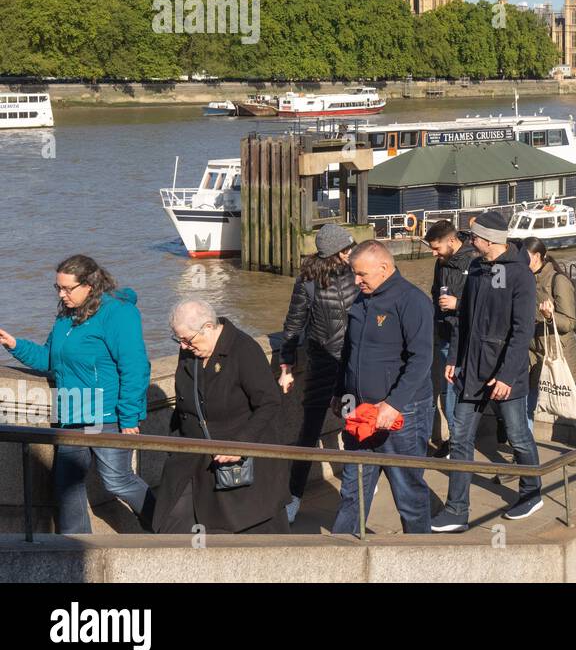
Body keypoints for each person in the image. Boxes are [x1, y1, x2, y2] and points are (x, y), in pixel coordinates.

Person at [0, 255, 151, 535]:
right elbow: (50, 360)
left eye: (68, 289)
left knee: (117, 480)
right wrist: (14, 344)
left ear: (90, 285)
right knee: (66, 485)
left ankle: (165, 522)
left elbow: (135, 366)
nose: (61, 294)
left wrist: (129, 416)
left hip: (104, 414)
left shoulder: (118, 314)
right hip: (73, 412)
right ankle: (76, 547)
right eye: (58, 287)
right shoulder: (67, 316)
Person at [432, 213, 540, 530]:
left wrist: (506, 376)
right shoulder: (478, 268)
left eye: (475, 237)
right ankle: (456, 511)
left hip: (505, 373)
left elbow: (522, 333)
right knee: (461, 438)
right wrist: (454, 357)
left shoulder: (520, 276)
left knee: (519, 437)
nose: (470, 241)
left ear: (489, 240)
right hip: (473, 371)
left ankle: (532, 493)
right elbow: (464, 319)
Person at [152, 299, 290, 533]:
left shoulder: (244, 350)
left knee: (249, 532)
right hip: (191, 458)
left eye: (187, 339)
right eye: (179, 340)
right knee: (169, 524)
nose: (183, 346)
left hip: (239, 461)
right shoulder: (190, 350)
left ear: (208, 327)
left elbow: (269, 402)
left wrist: (240, 444)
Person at [332, 240, 435, 534]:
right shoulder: (362, 300)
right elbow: (349, 352)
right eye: (354, 274)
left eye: (361, 274)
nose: (356, 280)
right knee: (353, 488)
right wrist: (340, 392)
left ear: (384, 268)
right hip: (361, 411)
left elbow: (421, 359)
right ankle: (342, 551)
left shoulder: (412, 301)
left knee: (408, 491)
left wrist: (394, 403)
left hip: (402, 413)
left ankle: (419, 555)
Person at [276, 224, 357, 524]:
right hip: (323, 364)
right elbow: (293, 324)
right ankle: (294, 497)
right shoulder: (307, 281)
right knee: (308, 432)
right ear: (335, 254)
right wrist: (285, 365)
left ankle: (354, 491)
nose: (352, 253)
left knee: (353, 427)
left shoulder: (358, 275)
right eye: (347, 249)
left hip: (352, 365)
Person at [519, 237, 576, 462]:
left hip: (557, 351)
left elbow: (569, 322)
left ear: (538, 257)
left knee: (571, 399)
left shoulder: (557, 281)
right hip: (533, 351)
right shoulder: (523, 278)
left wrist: (550, 315)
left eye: (526, 257)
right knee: (526, 401)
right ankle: (524, 449)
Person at [424, 219, 478, 457]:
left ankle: (459, 442)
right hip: (445, 332)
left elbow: (485, 301)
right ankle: (456, 439)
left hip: (466, 336)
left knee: (456, 391)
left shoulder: (474, 260)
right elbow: (436, 291)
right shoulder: (442, 262)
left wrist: (458, 304)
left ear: (452, 240)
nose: (434, 253)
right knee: (448, 391)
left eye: (437, 248)